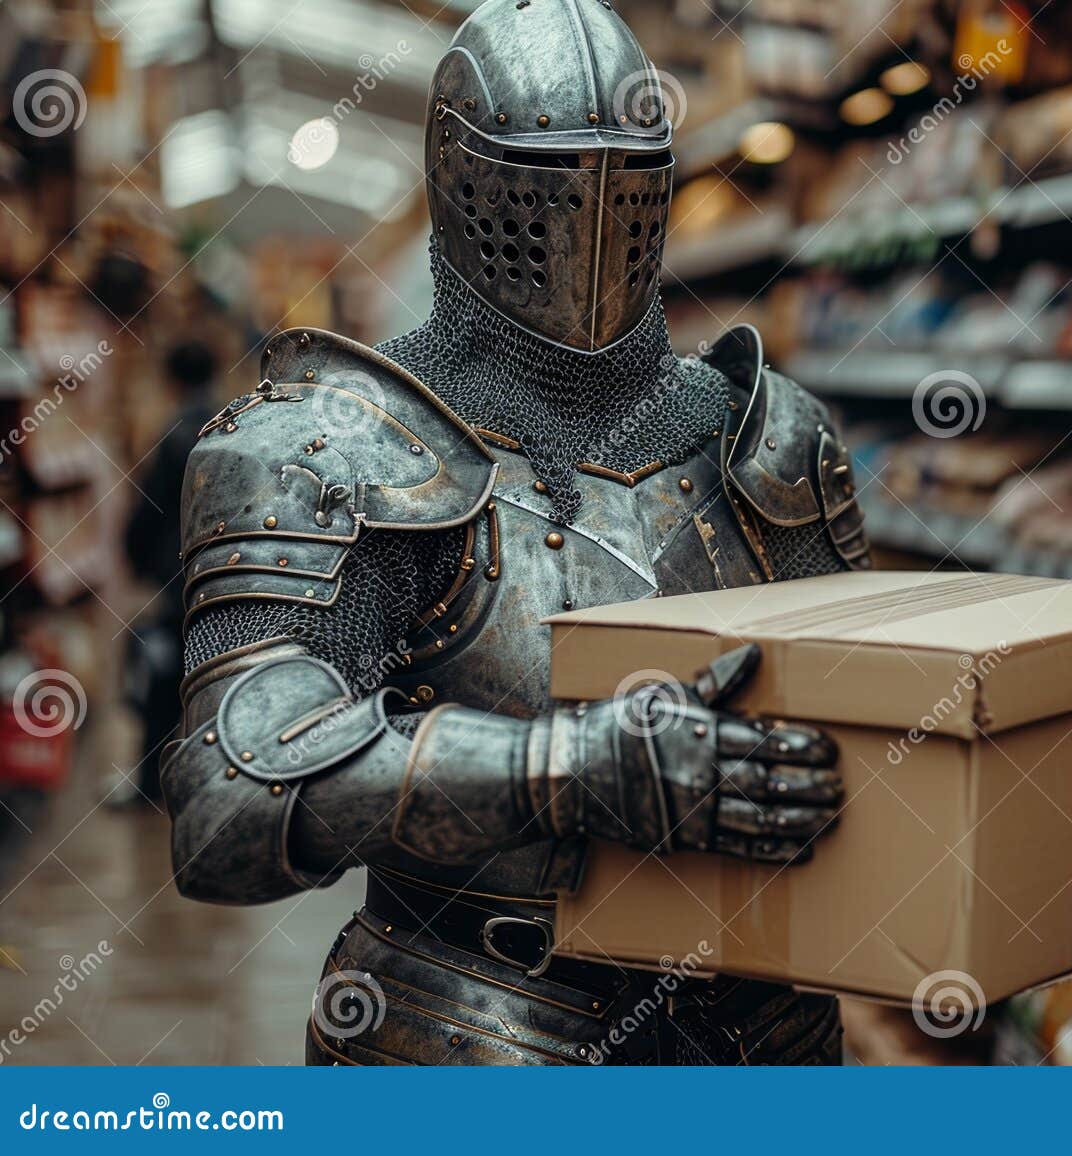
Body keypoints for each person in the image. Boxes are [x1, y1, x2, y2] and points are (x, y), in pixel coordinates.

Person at [162, 0, 869, 1065]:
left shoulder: (769, 438)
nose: (587, 228)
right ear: (461, 185)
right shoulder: (327, 448)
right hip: (469, 1025)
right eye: (541, 189)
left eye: (626, 186)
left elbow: (876, 718)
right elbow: (226, 802)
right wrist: (565, 769)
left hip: (764, 1032)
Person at [117, 340, 220, 808]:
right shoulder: (226, 423)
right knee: (203, 673)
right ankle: (203, 776)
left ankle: (150, 784)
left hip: (176, 570)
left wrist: (134, 554)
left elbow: (152, 506)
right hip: (213, 567)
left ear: (171, 378)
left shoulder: (176, 432)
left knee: (161, 678)